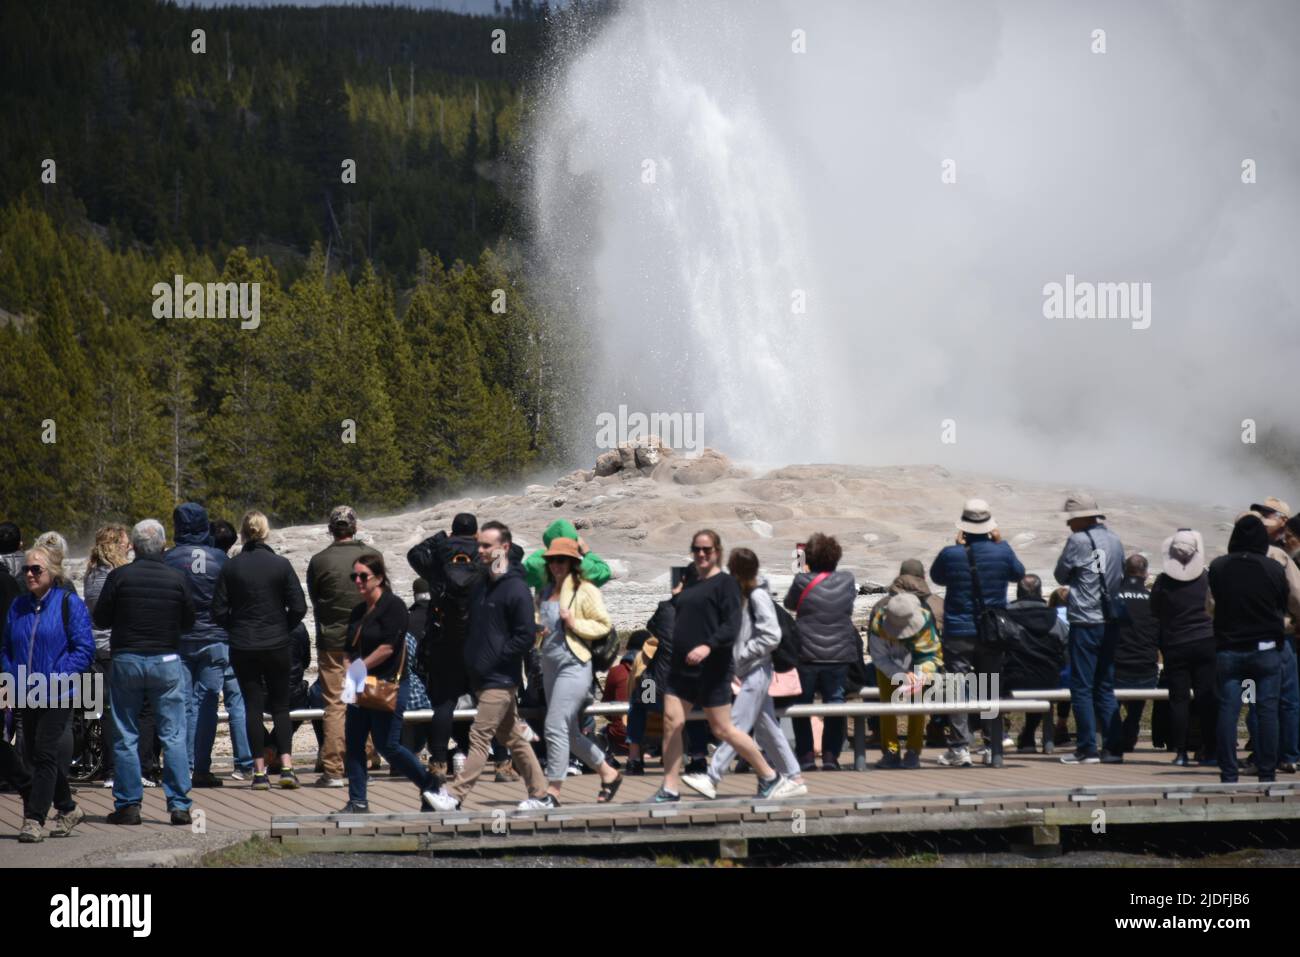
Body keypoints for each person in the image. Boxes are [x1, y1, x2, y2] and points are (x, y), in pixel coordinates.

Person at [655, 530, 800, 803]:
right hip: (683, 670)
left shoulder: (732, 588)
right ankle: (670, 788)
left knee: (727, 728)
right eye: (696, 549)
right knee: (672, 722)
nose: (700, 554)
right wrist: (678, 598)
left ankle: (760, 776)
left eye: (706, 550)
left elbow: (736, 627)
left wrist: (716, 649)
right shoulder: (693, 582)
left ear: (718, 553)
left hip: (727, 668)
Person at [423, 522, 548, 811]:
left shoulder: (515, 588)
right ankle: (541, 795)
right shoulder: (482, 585)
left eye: (486, 545)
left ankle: (454, 795)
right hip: (482, 674)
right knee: (514, 738)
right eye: (479, 544)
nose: (479, 550)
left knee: (480, 737)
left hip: (501, 677)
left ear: (504, 549)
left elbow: (525, 635)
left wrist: (496, 657)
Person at [92, 520, 196, 826]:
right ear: (163, 546)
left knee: (126, 733)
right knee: (173, 734)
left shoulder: (119, 576)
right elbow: (189, 622)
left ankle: (128, 804)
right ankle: (179, 805)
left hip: (127, 659)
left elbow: (100, 618)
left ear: (134, 547)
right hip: (166, 659)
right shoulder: (177, 578)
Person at [407, 513, 514, 781]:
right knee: (492, 701)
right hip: (483, 642)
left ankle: (439, 762)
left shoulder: (438, 555)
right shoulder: (488, 554)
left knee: (445, 703)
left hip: (447, 643)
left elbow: (413, 554)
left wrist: (441, 538)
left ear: (453, 532)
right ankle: (502, 762)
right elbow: (517, 554)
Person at [338, 553, 444, 813]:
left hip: (388, 685)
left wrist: (361, 666)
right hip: (360, 685)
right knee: (353, 744)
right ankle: (358, 801)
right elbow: (348, 647)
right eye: (355, 576)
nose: (359, 581)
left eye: (364, 576)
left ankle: (430, 784)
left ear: (380, 578)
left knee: (388, 746)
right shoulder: (358, 611)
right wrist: (348, 666)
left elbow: (389, 647)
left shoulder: (394, 606)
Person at [2, 545, 94, 842]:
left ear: (52, 572)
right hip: (25, 690)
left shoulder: (69, 603)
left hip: (58, 691)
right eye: (25, 569)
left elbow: (83, 650)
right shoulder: (18, 606)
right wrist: (11, 677)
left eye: (35, 569)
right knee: (32, 752)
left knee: (43, 751)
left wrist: (57, 677)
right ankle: (68, 808)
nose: (28, 574)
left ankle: (33, 819)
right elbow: (6, 647)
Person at [211, 510, 307, 790]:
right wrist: (283, 626)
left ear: (242, 533)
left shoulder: (232, 567)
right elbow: (299, 606)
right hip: (277, 642)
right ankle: (287, 768)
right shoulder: (281, 564)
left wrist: (235, 627)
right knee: (281, 705)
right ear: (266, 532)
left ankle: (259, 773)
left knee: (252, 706)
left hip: (243, 644)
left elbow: (217, 610)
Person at [930, 499, 1025, 766]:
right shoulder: (1002, 551)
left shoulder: (950, 554)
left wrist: (958, 548)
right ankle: (991, 744)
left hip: (958, 631)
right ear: (989, 526)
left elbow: (937, 577)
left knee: (956, 687)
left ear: (963, 528)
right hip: (991, 632)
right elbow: (1019, 574)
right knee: (989, 686)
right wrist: (1000, 542)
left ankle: (959, 747)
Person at [162, 503, 246, 787]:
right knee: (207, 703)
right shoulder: (221, 559)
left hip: (180, 639)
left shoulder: (168, 559)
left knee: (182, 703)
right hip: (216, 638)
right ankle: (201, 768)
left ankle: (182, 766)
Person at [534, 537, 623, 804]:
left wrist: (574, 623)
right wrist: (537, 631)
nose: (556, 565)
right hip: (549, 666)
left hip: (575, 665)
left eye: (561, 560)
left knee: (554, 725)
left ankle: (553, 792)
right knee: (570, 733)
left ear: (573, 563)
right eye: (551, 560)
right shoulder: (544, 591)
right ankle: (608, 773)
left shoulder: (585, 590)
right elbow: (539, 625)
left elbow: (603, 625)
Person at [1209, 514, 1289, 783]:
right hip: (1265, 649)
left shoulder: (1218, 566)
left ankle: (1229, 774)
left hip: (1229, 648)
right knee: (1267, 710)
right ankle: (1267, 773)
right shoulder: (1273, 568)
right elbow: (1283, 601)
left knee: (1228, 710)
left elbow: (1212, 604)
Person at [306, 505, 381, 788]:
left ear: (330, 529)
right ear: (355, 528)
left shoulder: (319, 561)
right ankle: (361, 766)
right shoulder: (372, 558)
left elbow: (315, 598)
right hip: (367, 642)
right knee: (362, 701)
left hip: (333, 642)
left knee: (336, 705)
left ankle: (334, 770)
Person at [1053, 492, 1126, 764]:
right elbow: (1118, 575)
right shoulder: (1115, 540)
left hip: (1085, 619)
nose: (1068, 525)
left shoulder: (1078, 540)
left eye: (1071, 519)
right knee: (1105, 685)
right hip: (1110, 620)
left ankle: (1086, 748)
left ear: (1082, 519)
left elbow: (1061, 574)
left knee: (1081, 686)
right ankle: (1113, 748)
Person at [784, 532, 859, 771]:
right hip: (839, 653)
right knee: (835, 702)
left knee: (802, 704)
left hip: (806, 652)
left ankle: (805, 756)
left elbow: (790, 604)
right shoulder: (847, 580)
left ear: (810, 558)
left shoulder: (802, 581)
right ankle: (830, 756)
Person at [1150, 529, 1217, 766]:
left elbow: (1155, 611)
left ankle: (1180, 752)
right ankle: (1209, 750)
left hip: (1175, 644)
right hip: (1206, 641)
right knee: (1206, 697)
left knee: (1178, 700)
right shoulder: (1207, 577)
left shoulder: (1162, 581)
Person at [82, 523, 133, 787]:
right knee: (116, 711)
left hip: (94, 648)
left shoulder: (91, 573)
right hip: (113, 648)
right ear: (115, 545)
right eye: (126, 543)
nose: (130, 546)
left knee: (100, 710)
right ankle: (115, 769)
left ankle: (102, 765)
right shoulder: (117, 573)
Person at [867, 591, 943, 768]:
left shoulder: (925, 620)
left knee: (917, 708)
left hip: (918, 665)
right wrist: (898, 673)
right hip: (888, 667)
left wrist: (921, 674)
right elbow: (879, 658)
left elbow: (933, 654)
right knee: (887, 709)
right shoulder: (879, 625)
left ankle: (914, 751)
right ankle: (891, 751)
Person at [1003, 575, 1069, 753]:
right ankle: (1029, 734)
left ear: (1018, 592)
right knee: (1040, 680)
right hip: (1048, 679)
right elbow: (1065, 651)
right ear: (1040, 593)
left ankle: (995, 736)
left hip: (1011, 679)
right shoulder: (1056, 619)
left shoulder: (1004, 617)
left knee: (989, 679)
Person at [210, 519, 255, 779]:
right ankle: (244, 763)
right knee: (237, 702)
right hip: (231, 638)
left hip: (204, 638)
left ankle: (196, 764)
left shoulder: (200, 563)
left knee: (200, 702)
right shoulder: (232, 565)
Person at [1114, 554, 1160, 752]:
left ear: (1124, 572)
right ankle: (1131, 724)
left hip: (1116, 669)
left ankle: (1115, 732)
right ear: (1146, 574)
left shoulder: (1114, 597)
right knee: (1251, 698)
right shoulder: (1153, 601)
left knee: (1108, 700)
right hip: (1146, 670)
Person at [399, 580, 437, 765]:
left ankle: (407, 755)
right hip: (440, 680)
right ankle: (439, 755)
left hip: (411, 684)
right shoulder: (439, 616)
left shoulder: (407, 620)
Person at [522, 518, 613, 590]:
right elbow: (605, 572)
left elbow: (521, 577)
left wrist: (548, 549)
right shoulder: (583, 566)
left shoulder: (536, 564)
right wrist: (587, 552)